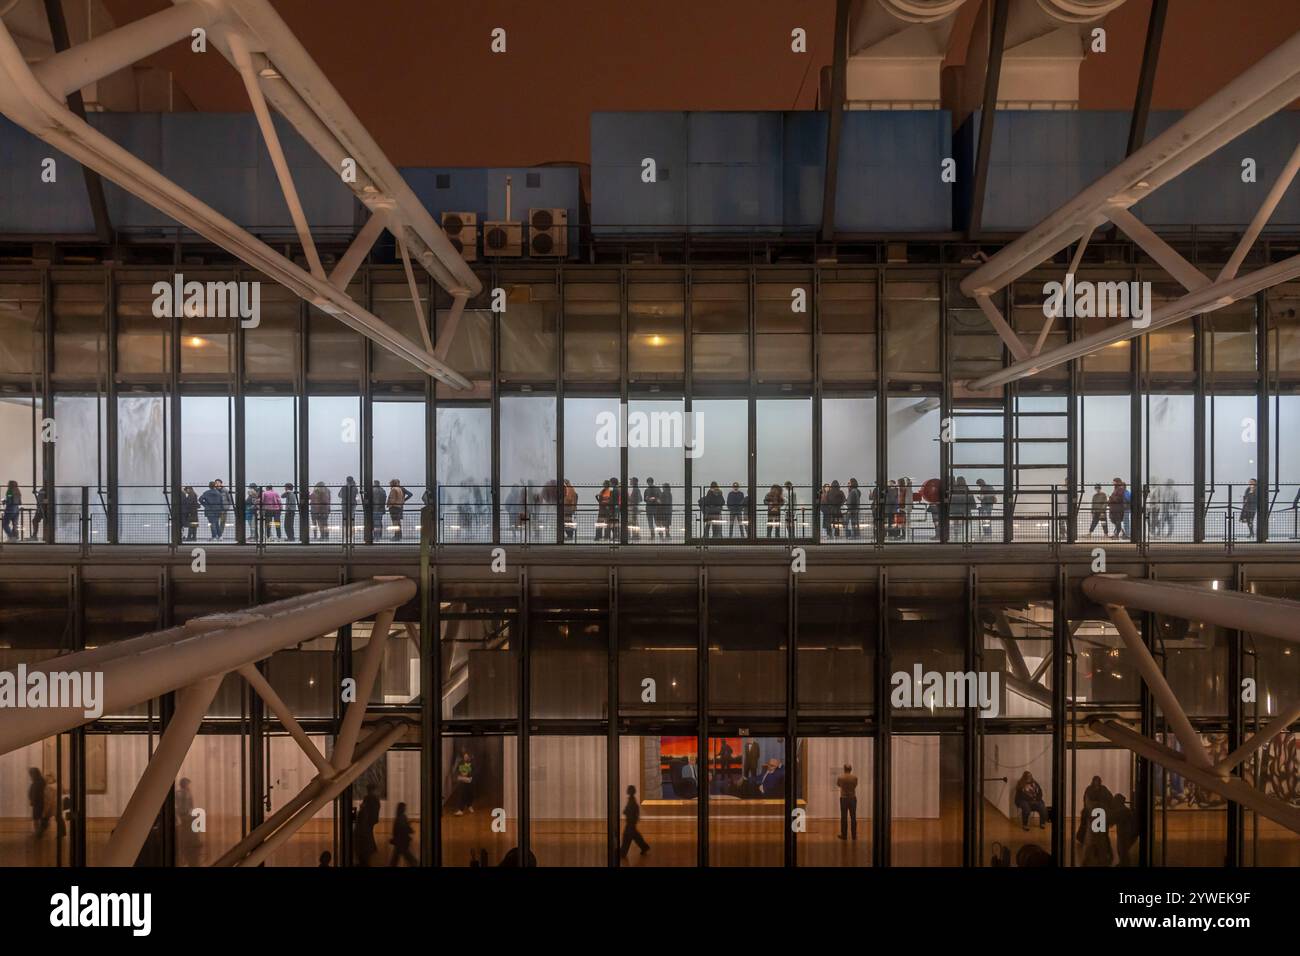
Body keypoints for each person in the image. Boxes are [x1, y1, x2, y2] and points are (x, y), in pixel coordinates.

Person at [619, 785, 651, 860]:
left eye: (628, 790)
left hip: (631, 822)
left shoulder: (632, 801)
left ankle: (623, 852)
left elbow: (631, 811)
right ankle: (644, 847)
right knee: (634, 836)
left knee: (627, 837)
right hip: (631, 822)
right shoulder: (632, 800)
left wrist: (626, 812)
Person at [175, 777, 201, 866]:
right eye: (187, 784)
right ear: (184, 784)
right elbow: (179, 806)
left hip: (187, 815)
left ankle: (191, 844)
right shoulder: (179, 793)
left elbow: (190, 804)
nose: (189, 786)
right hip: (183, 815)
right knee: (185, 832)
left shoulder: (187, 793)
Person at [353, 783, 380, 866]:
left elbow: (364, 807)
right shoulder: (375, 798)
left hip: (367, 819)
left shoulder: (368, 798)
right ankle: (372, 847)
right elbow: (376, 808)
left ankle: (370, 848)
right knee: (369, 832)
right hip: (371, 819)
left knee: (368, 833)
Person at [1111, 793, 1137, 865]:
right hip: (1125, 834)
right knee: (1122, 851)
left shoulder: (1122, 811)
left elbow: (1112, 821)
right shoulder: (1124, 810)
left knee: (1122, 851)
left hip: (1125, 835)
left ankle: (1124, 864)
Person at [389, 802, 418, 866]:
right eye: (404, 808)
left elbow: (398, 828)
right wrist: (410, 830)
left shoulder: (398, 817)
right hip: (402, 840)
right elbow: (404, 828)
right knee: (406, 855)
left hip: (399, 840)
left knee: (396, 858)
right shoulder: (402, 817)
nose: (405, 809)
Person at [836, 763, 859, 840]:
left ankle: (844, 835)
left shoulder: (840, 777)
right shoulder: (855, 777)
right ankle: (854, 835)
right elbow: (855, 785)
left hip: (844, 798)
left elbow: (838, 784)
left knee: (844, 817)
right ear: (851, 769)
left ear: (844, 769)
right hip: (852, 798)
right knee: (853, 817)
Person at [451, 751, 474, 815]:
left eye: (467, 757)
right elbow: (458, 770)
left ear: (469, 757)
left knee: (470, 794)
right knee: (462, 794)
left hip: (470, 781)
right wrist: (460, 775)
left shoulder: (472, 763)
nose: (466, 758)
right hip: (462, 781)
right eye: (465, 757)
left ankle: (469, 805)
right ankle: (461, 809)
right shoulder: (461, 763)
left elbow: (473, 772)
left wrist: (469, 775)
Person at [339, 477, 358, 543]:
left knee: (345, 519)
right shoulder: (355, 487)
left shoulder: (344, 487)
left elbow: (339, 495)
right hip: (352, 504)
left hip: (345, 504)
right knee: (351, 519)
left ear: (346, 480)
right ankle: (351, 534)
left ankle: (345, 534)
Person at [28, 767, 45, 836]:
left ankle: (38, 832)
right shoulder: (39, 780)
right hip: (37, 802)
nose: (30, 775)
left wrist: (33, 800)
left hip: (38, 802)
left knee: (36, 818)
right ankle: (38, 832)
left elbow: (37, 793)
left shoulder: (39, 781)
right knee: (37, 818)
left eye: (31, 774)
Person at [627, 476, 641, 540]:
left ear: (634, 482)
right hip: (632, 508)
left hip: (633, 508)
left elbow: (640, 499)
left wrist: (631, 500)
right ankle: (633, 535)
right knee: (633, 522)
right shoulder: (635, 489)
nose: (630, 481)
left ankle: (635, 535)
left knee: (633, 522)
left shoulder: (636, 489)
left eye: (631, 480)